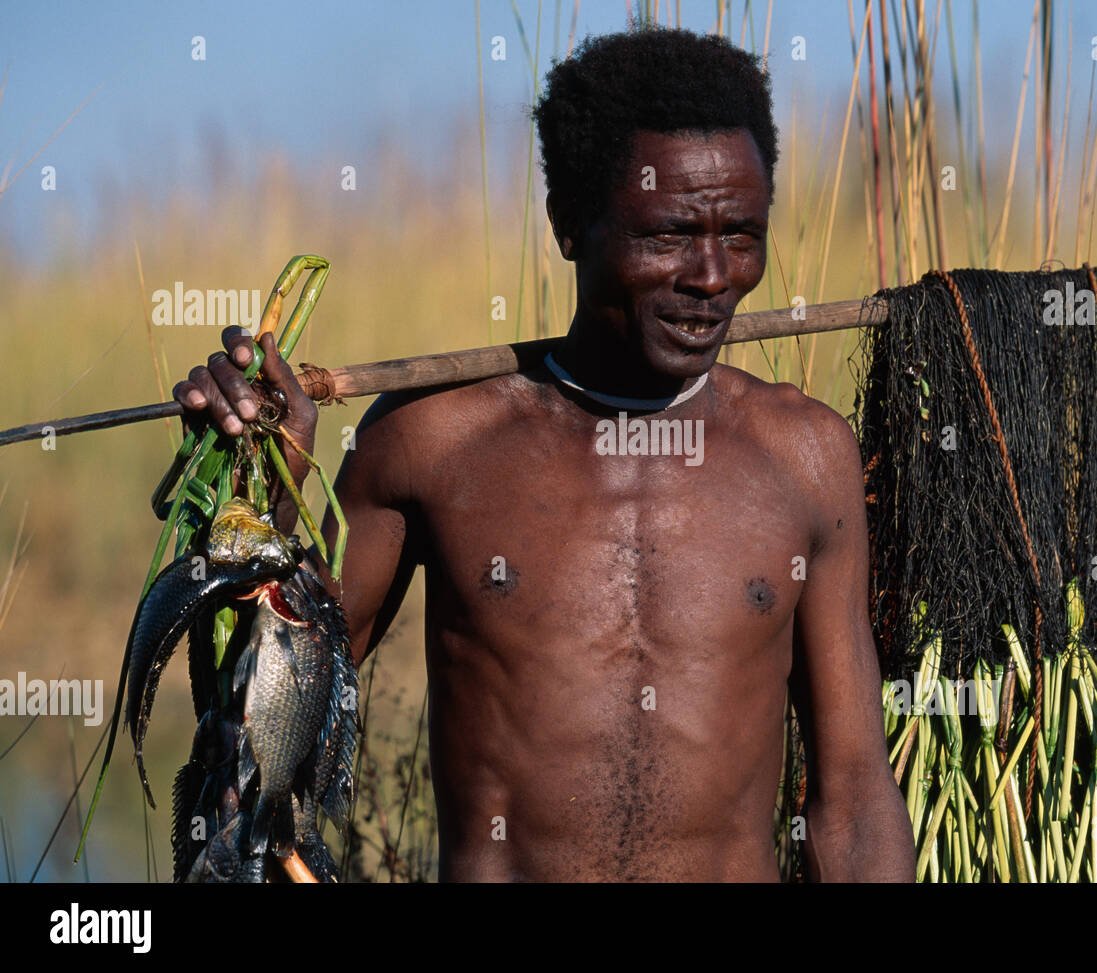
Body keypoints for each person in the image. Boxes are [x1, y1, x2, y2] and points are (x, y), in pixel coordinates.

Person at [173, 25, 913, 882]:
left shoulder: (807, 457)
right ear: (570, 224)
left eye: (742, 234)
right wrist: (267, 491)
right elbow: (266, 715)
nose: (712, 276)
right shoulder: (432, 440)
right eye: (670, 234)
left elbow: (854, 798)